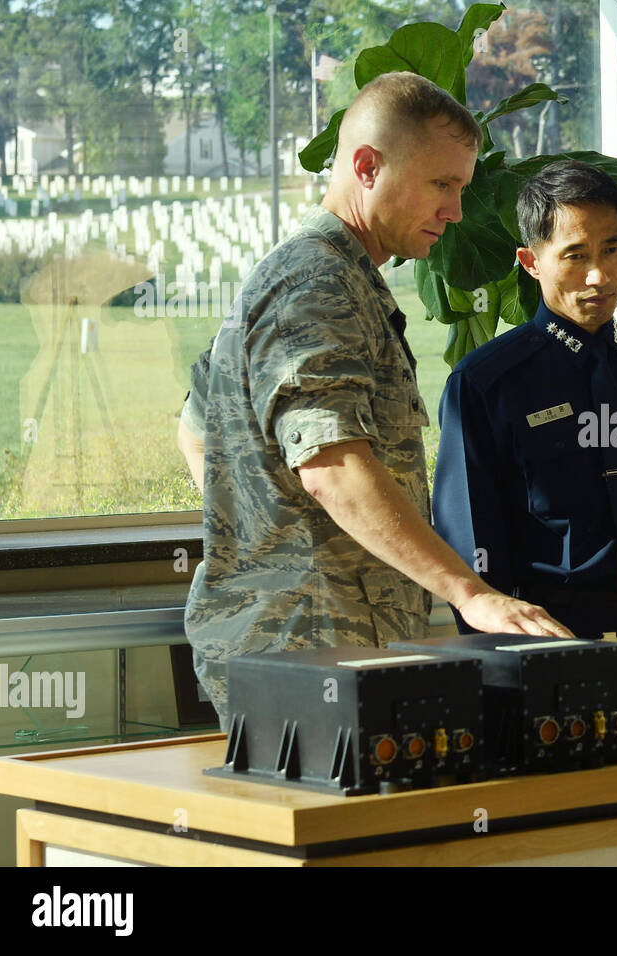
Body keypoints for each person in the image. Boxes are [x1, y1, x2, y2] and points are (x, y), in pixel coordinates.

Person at [177, 72, 570, 729]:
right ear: (366, 166)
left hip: (330, 648)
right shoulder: (315, 284)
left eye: (461, 189)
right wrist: (468, 593)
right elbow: (331, 467)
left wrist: (260, 525)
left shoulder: (324, 277)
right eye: (442, 185)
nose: (456, 211)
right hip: (306, 655)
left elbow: (195, 425)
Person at [432, 160, 617, 637]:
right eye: (575, 256)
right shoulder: (488, 383)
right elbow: (471, 545)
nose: (599, 276)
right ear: (531, 263)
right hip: (553, 637)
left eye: (613, 249)